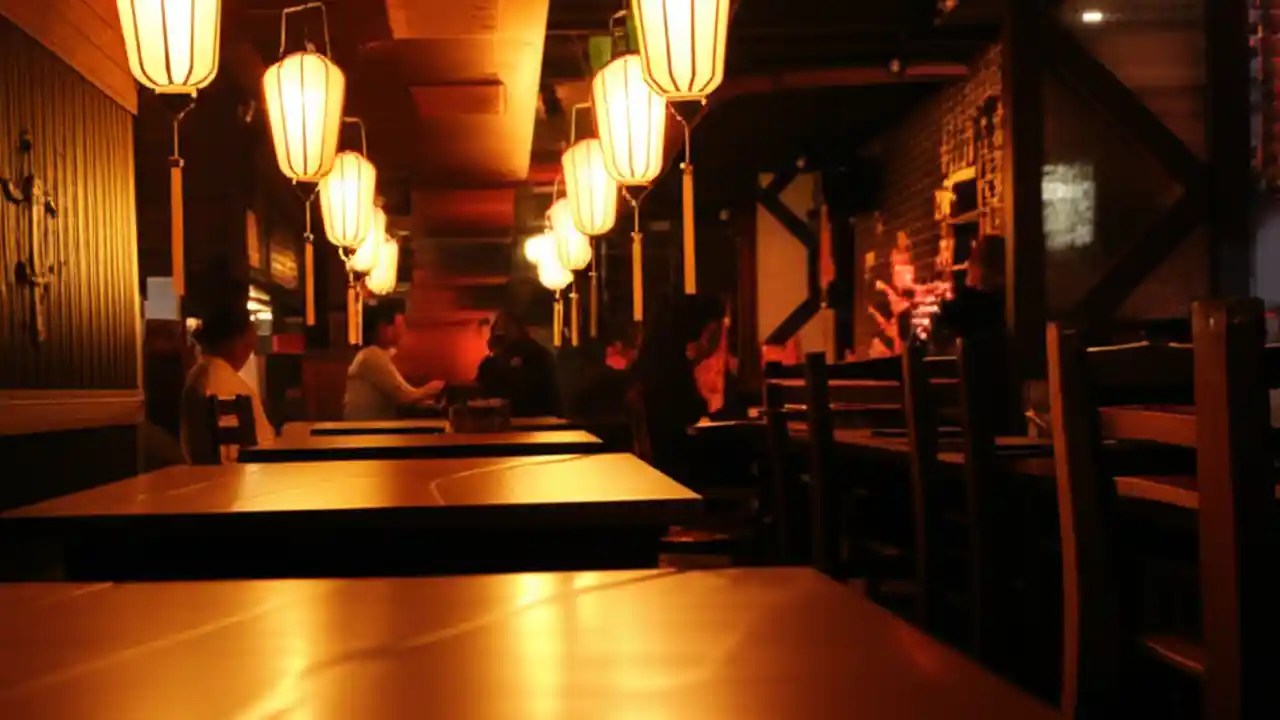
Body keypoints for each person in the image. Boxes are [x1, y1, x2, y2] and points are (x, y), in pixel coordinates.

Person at [630, 294, 727, 482]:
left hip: (665, 462)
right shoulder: (671, 365)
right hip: (678, 466)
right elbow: (692, 411)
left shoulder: (650, 360)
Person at [180, 304, 276, 464]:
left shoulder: (196, 376)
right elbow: (259, 449)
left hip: (202, 479)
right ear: (238, 341)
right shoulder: (231, 386)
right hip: (241, 480)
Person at [344, 301, 443, 420]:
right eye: (401, 324)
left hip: (372, 431)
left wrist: (424, 398)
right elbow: (404, 396)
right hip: (367, 433)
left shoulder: (377, 355)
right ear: (384, 328)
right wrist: (433, 388)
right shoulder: (371, 356)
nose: (404, 330)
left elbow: (407, 392)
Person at [475, 311, 559, 417]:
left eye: (507, 326)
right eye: (499, 326)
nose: (502, 331)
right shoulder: (489, 365)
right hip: (500, 423)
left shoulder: (537, 357)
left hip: (535, 421)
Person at [934, 234, 1006, 344]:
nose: (968, 263)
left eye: (973, 257)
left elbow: (940, 331)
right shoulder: (1000, 299)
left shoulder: (976, 304)